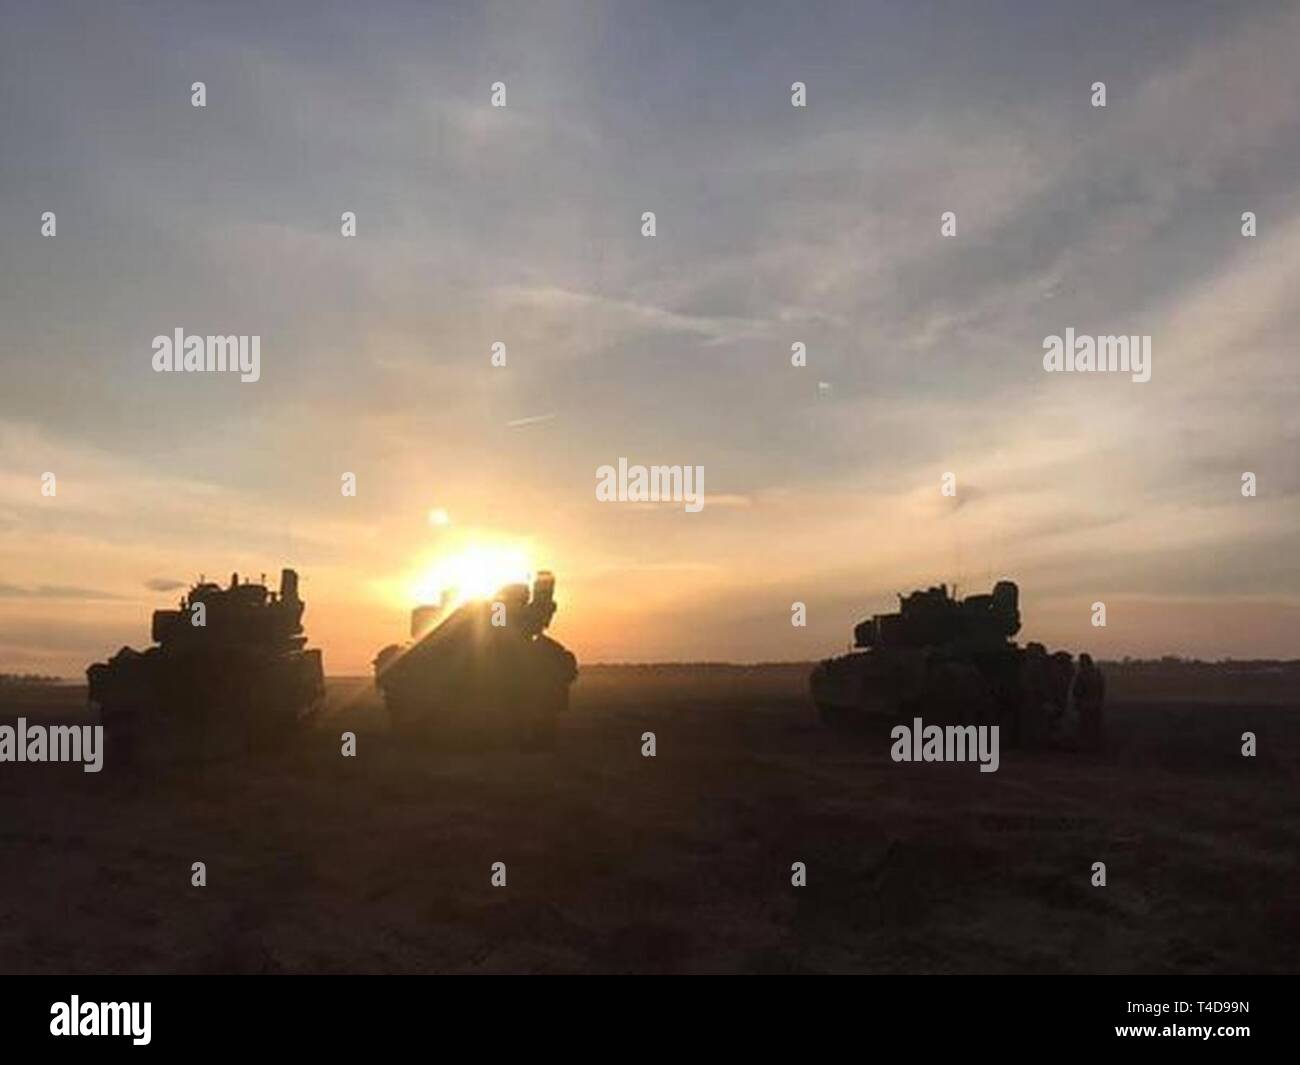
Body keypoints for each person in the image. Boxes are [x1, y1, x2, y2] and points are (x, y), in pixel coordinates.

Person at [1073, 653, 1105, 751]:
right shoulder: (1097, 672)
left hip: (1085, 705)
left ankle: (1086, 746)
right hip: (1096, 704)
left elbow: (1077, 690)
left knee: (1085, 727)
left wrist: (1077, 702)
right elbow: (1102, 688)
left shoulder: (1082, 674)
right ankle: (1095, 746)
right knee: (1094, 727)